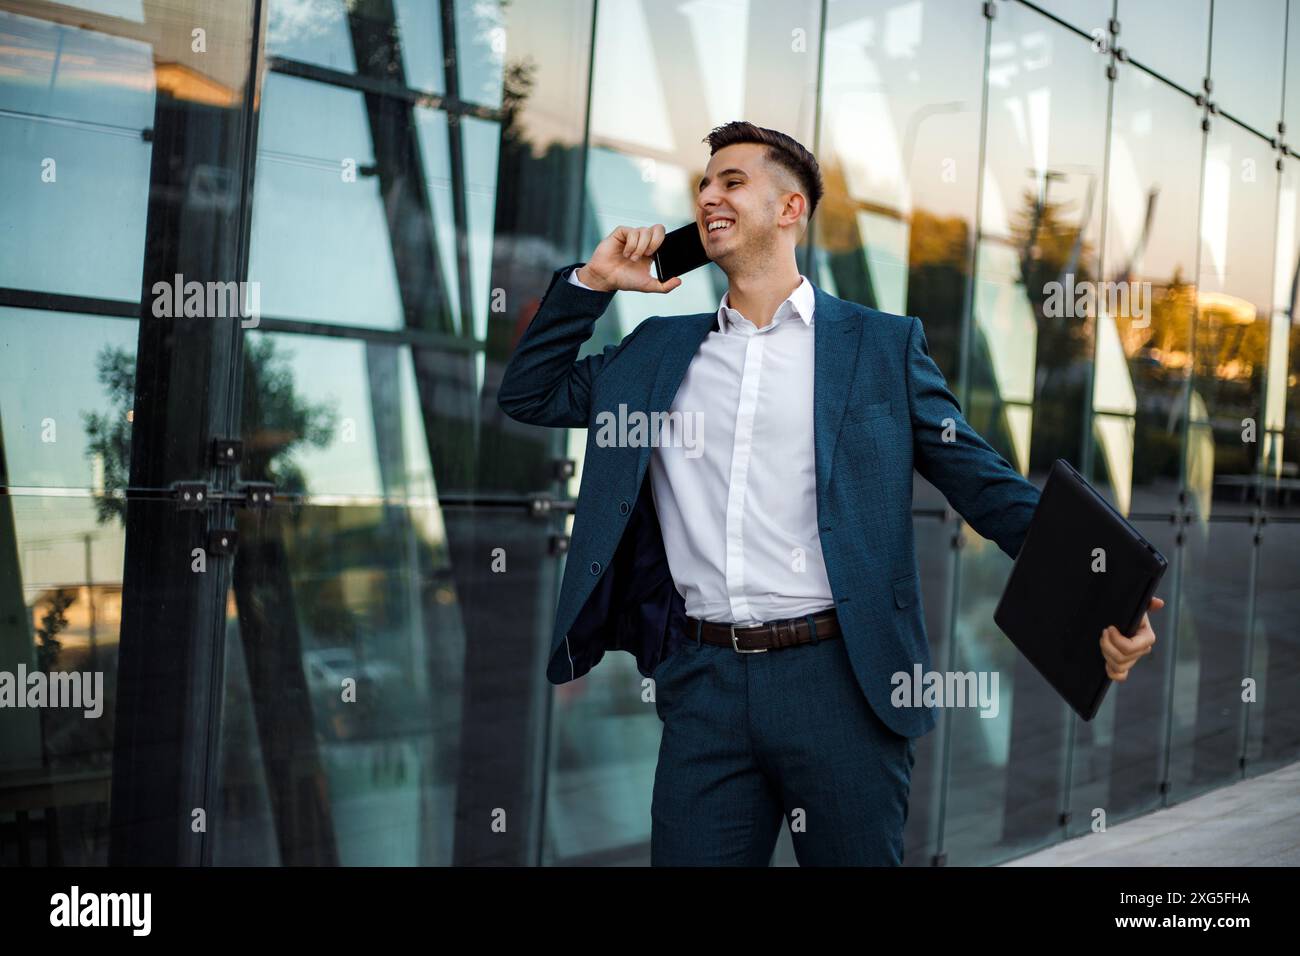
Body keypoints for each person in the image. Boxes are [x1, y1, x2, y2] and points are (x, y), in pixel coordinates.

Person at [498, 120, 1160, 866]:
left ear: (791, 210)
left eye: (733, 181)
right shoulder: (655, 353)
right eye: (705, 183)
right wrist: (591, 285)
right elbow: (529, 393)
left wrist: (1108, 585)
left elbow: (987, 487)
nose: (709, 195)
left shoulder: (880, 346)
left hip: (842, 685)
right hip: (702, 686)